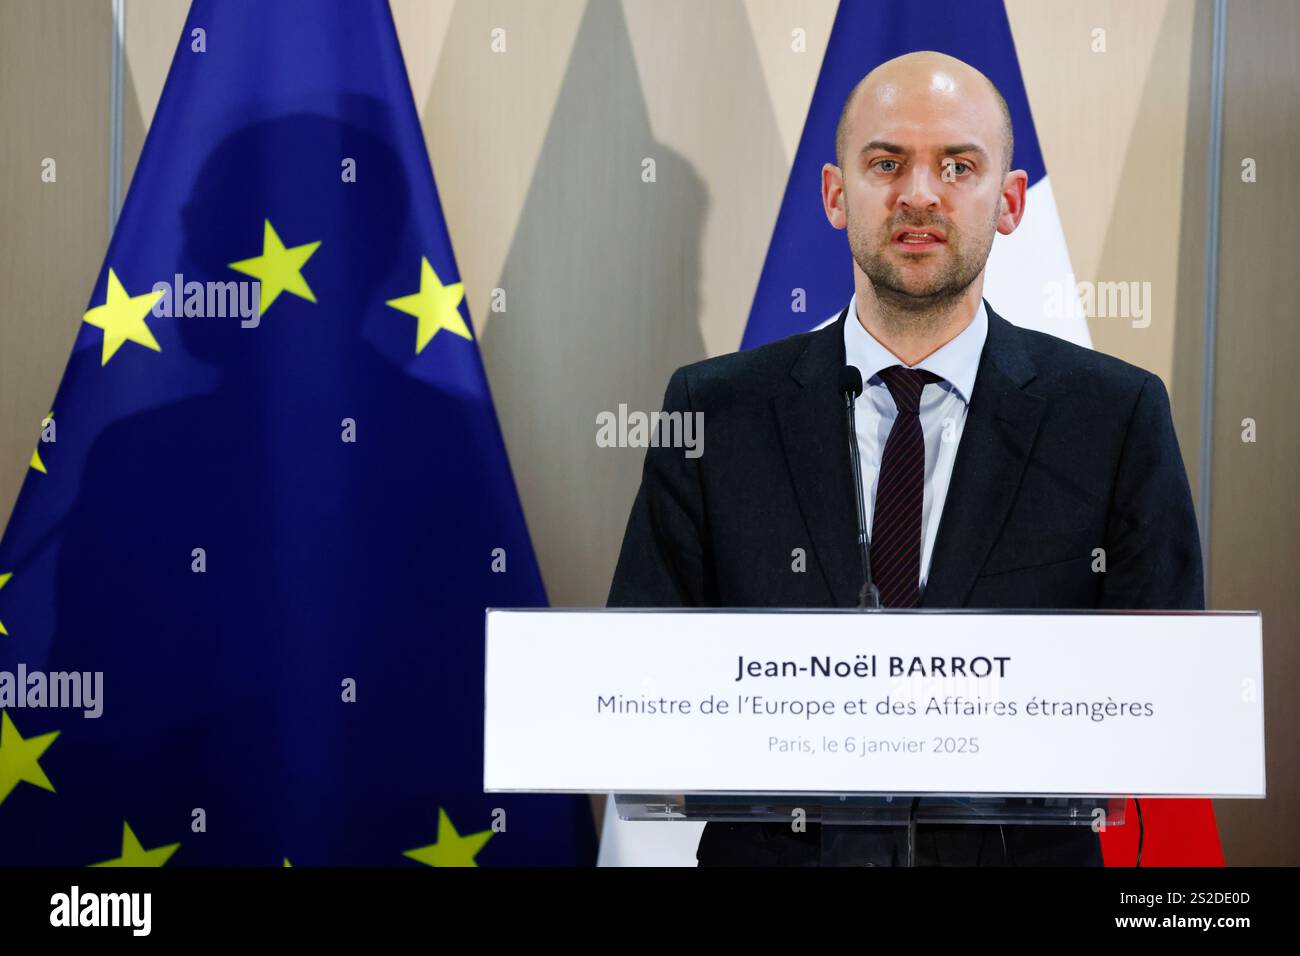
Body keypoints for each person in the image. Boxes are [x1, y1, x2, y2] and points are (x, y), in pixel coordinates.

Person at [606, 51, 1204, 866]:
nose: (920, 193)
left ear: (1009, 201)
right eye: (886, 163)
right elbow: (642, 681)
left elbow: (1163, 696)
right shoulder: (714, 410)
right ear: (835, 192)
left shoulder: (1115, 415)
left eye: (958, 165)